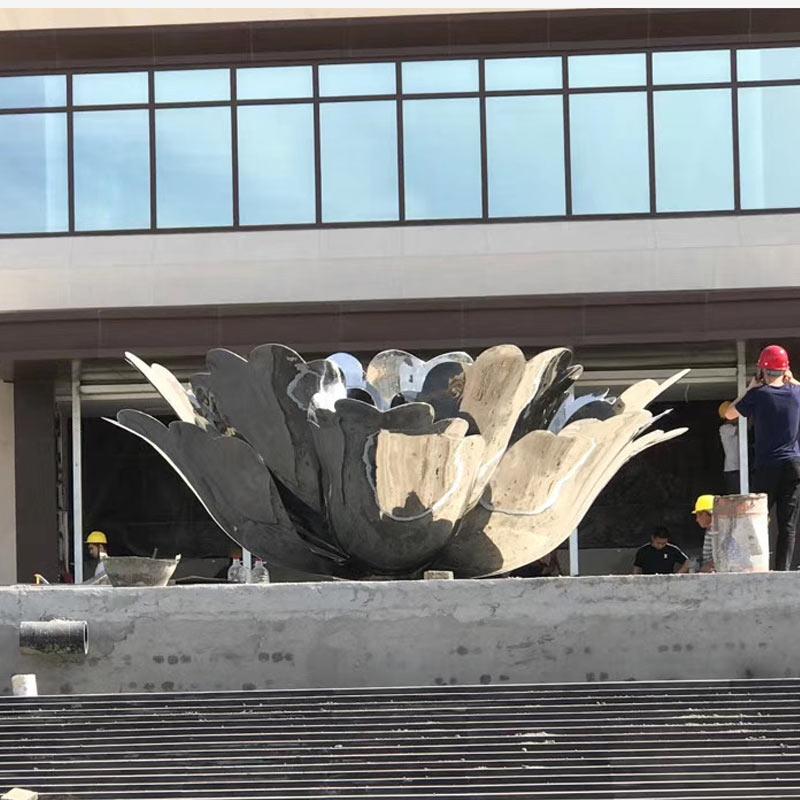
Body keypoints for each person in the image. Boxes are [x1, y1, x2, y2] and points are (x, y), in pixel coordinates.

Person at [724, 344, 800, 571]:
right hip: (794, 464)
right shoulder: (796, 393)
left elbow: (729, 413)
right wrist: (793, 381)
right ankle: (783, 570)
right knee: (787, 523)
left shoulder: (758, 395)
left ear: (762, 371)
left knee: (757, 518)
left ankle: (756, 566)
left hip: (768, 466)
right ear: (785, 370)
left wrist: (749, 388)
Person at [718, 402, 740, 494]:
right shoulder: (725, 428)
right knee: (735, 495)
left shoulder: (731, 427)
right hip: (732, 469)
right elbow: (740, 428)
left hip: (738, 467)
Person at [693, 494, 716, 573]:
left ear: (706, 514)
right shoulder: (711, 530)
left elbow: (719, 557)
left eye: (698, 515)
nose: (697, 520)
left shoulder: (715, 531)